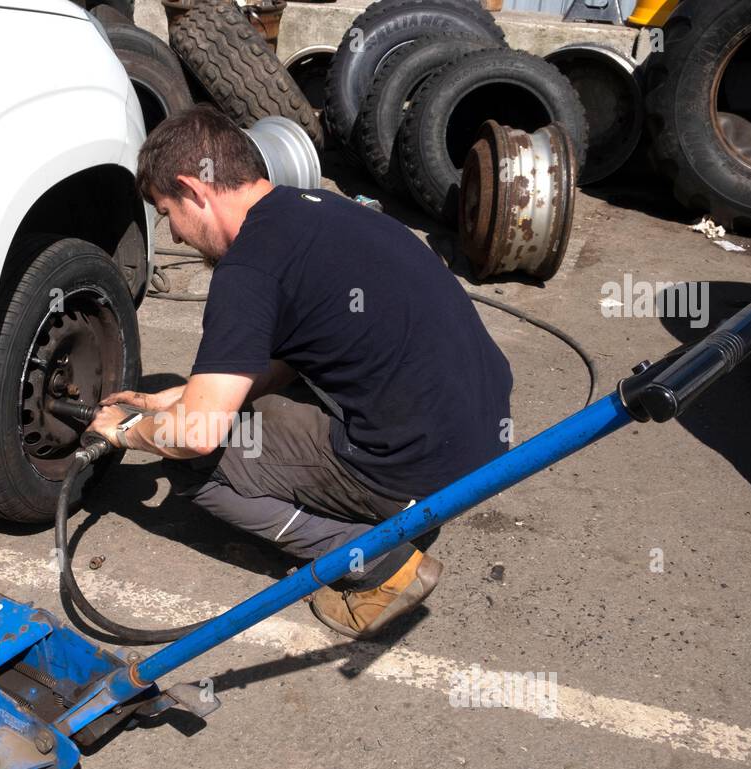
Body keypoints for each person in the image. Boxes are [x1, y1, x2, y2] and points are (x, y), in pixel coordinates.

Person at [87, 105, 513, 638]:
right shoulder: (321, 211)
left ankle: (376, 570)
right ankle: (391, 505)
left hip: (418, 468)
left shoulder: (247, 272)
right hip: (484, 439)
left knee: (202, 469)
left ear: (193, 189)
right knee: (239, 411)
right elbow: (292, 357)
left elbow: (196, 436)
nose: (172, 236)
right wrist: (187, 395)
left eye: (166, 212)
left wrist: (130, 433)